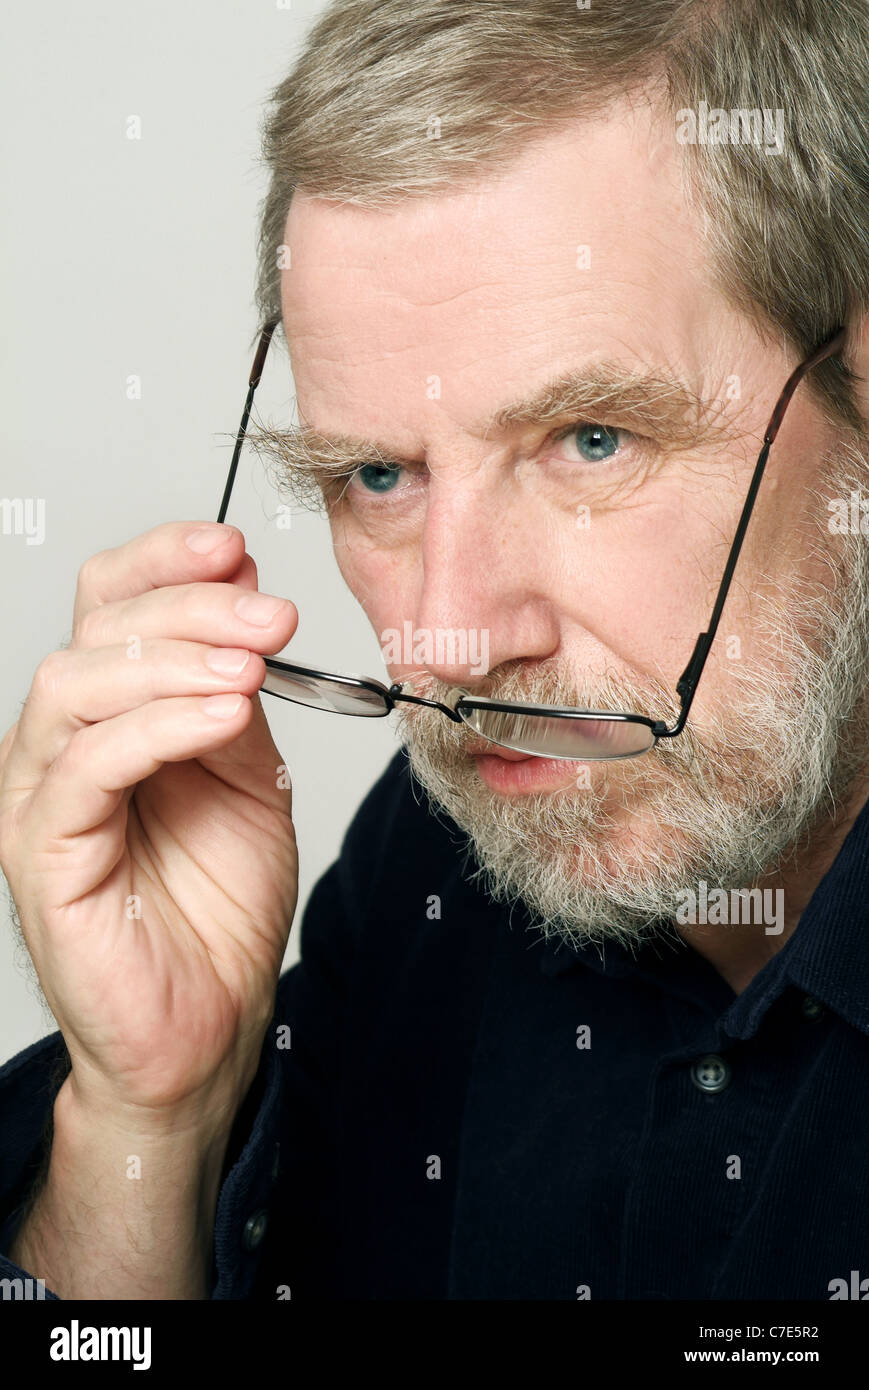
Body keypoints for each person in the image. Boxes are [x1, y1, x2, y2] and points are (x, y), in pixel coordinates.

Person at [1, 0, 868, 1300]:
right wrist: (150, 1126)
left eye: (590, 439)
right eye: (378, 473)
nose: (453, 639)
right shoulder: (441, 861)